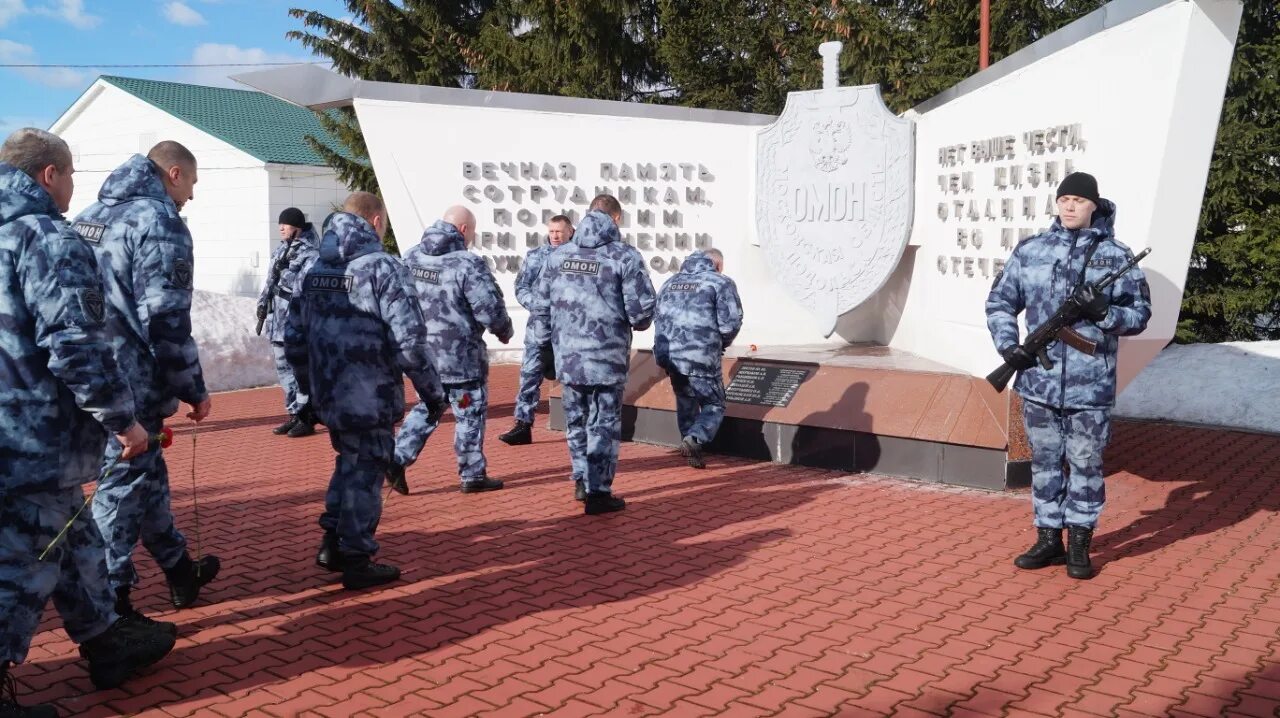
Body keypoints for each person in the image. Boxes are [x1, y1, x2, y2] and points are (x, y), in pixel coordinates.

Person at [0, 128, 177, 715]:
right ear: (48, 174)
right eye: (70, 175)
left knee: (75, 539)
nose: (75, 188)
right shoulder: (47, 239)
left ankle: (106, 641)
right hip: (32, 435)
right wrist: (123, 421)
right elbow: (73, 342)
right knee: (22, 564)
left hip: (15, 434)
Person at [74, 141, 218, 613]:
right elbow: (165, 318)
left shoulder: (90, 215)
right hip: (132, 382)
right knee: (120, 488)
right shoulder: (160, 223)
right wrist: (191, 387)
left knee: (146, 476)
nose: (191, 197)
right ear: (174, 173)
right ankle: (111, 604)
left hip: (93, 375)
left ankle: (180, 570)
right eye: (192, 184)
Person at [986, 172, 1151, 580]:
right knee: (1044, 462)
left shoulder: (1116, 256)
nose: (1071, 206)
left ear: (1095, 204)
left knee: (1085, 463)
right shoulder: (1031, 251)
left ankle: (1079, 542)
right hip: (1039, 384)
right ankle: (1047, 539)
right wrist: (1010, 349)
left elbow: (1140, 315)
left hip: (1090, 387)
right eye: (1065, 199)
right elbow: (999, 304)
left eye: (1079, 199)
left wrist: (1104, 314)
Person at [284, 192, 445, 590]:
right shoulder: (383, 268)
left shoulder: (314, 269)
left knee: (348, 461)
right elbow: (409, 342)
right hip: (369, 391)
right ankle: (356, 555)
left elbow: (293, 338)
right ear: (375, 222)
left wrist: (308, 391)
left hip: (330, 392)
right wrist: (431, 392)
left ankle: (331, 541)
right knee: (366, 469)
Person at [533, 194, 655, 514]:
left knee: (576, 420)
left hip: (569, 358)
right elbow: (641, 314)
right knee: (603, 423)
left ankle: (580, 478)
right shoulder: (624, 257)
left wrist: (543, 348)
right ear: (615, 219)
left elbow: (540, 307)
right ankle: (598, 490)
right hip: (606, 359)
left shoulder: (557, 257)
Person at [393, 206, 514, 494]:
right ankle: (472, 475)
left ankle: (396, 458)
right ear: (463, 230)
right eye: (472, 231)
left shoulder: (410, 256)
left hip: (421, 357)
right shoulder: (467, 264)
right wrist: (504, 331)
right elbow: (489, 310)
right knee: (468, 413)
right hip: (460, 360)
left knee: (429, 405)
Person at [653, 248, 743, 469]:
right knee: (714, 402)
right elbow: (731, 323)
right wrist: (720, 344)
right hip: (701, 355)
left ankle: (690, 444)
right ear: (717, 265)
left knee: (685, 398)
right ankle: (695, 438)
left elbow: (657, 317)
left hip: (670, 355)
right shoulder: (720, 282)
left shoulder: (670, 282)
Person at [499, 214, 574, 446]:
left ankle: (578, 426)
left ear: (570, 231)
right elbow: (521, 287)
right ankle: (523, 425)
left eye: (559, 231)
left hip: (569, 330)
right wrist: (537, 304)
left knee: (573, 379)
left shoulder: (579, 256)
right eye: (551, 231)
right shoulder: (535, 256)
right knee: (529, 376)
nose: (555, 236)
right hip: (539, 329)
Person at [257, 207, 321, 438]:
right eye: (280, 224)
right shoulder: (280, 250)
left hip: (295, 322)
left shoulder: (310, 254)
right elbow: (269, 281)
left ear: (298, 227)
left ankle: (307, 416)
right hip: (277, 321)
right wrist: (262, 303)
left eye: (286, 224)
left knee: (299, 370)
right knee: (283, 370)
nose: (281, 227)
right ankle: (294, 413)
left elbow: (306, 289)